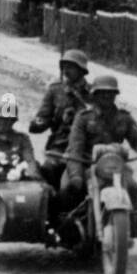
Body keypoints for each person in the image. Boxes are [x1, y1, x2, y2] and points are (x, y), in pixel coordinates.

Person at [62, 74, 137, 236]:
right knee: (70, 188)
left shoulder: (123, 117)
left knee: (133, 187)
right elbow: (75, 148)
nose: (107, 96)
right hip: (87, 164)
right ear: (94, 95)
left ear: (116, 95)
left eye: (111, 93)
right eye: (102, 93)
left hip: (115, 166)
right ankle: (69, 228)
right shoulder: (83, 119)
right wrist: (75, 174)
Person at [29, 48, 92, 192]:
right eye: (64, 66)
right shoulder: (55, 90)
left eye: (71, 67)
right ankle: (55, 210)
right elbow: (42, 117)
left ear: (81, 70)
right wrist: (41, 123)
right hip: (60, 146)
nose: (66, 70)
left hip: (87, 147)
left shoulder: (93, 93)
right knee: (48, 170)